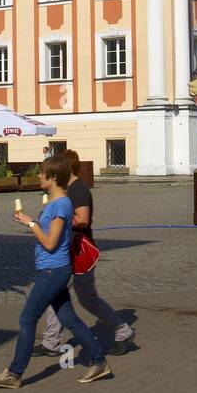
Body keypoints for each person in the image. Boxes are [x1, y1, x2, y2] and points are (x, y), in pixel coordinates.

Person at [0, 154, 112, 389]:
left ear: (53, 177)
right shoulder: (56, 203)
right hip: (53, 269)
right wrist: (33, 221)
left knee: (27, 318)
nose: (39, 176)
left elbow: (51, 243)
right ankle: (99, 361)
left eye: (42, 172)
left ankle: (14, 373)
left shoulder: (61, 204)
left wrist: (30, 223)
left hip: (53, 271)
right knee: (69, 318)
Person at [34, 149, 135, 358]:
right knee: (58, 294)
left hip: (79, 250)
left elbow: (83, 219)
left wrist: (58, 220)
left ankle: (122, 331)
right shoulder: (67, 189)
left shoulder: (78, 189)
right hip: (68, 248)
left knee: (87, 298)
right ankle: (51, 341)